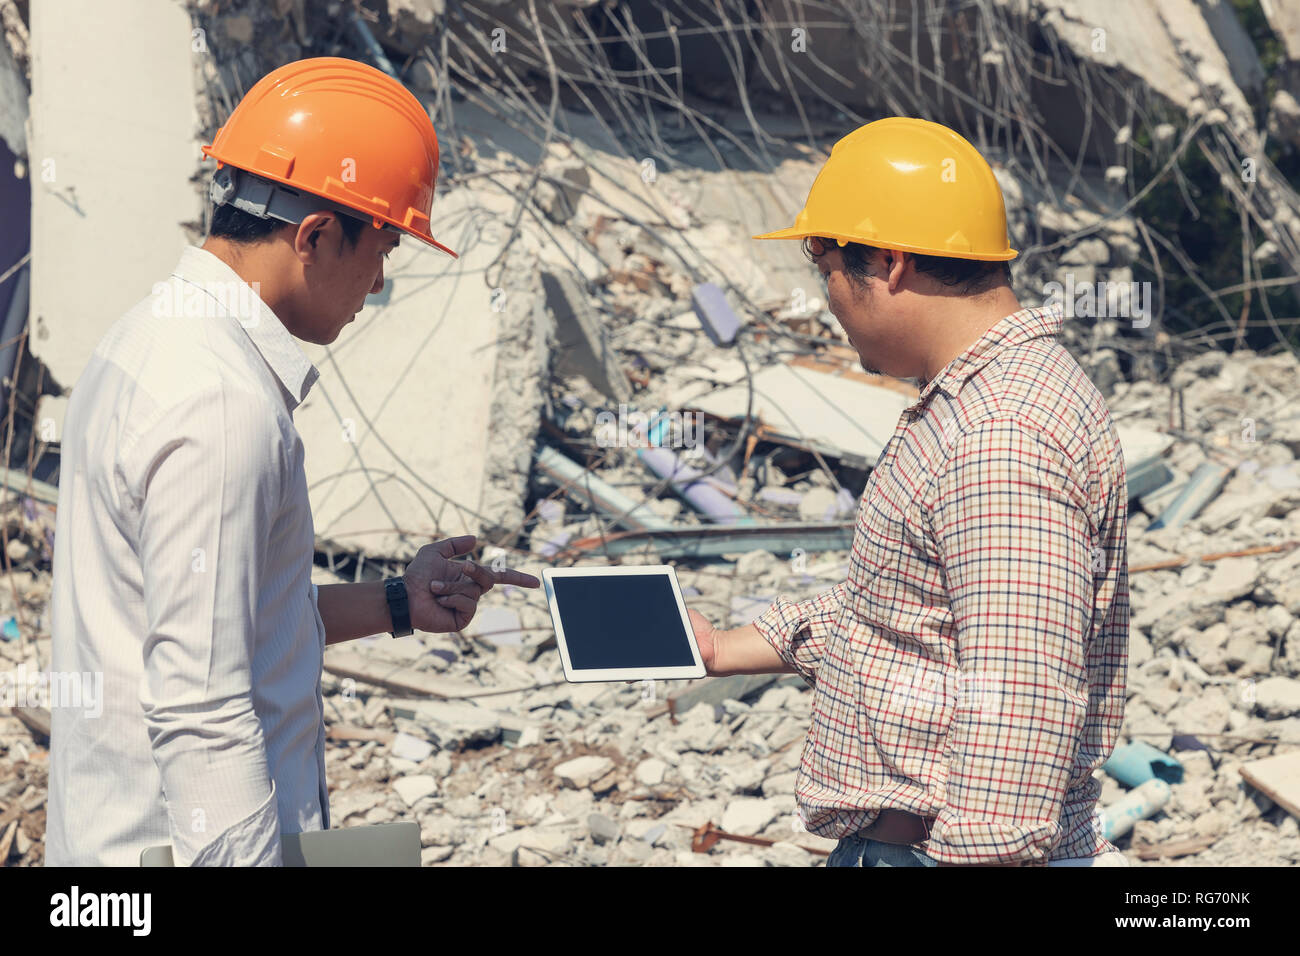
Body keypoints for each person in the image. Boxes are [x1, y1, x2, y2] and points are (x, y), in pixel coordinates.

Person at [46, 57, 538, 866]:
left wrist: (397, 602)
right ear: (315, 236)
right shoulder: (220, 402)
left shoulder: (147, 334)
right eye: (382, 249)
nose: (378, 284)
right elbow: (202, 706)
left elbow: (222, 622)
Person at [688, 117, 1129, 867]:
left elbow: (1018, 693)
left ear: (889, 264)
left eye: (823, 263)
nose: (825, 296)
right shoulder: (979, 401)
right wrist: (726, 648)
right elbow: (914, 620)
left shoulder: (999, 435)